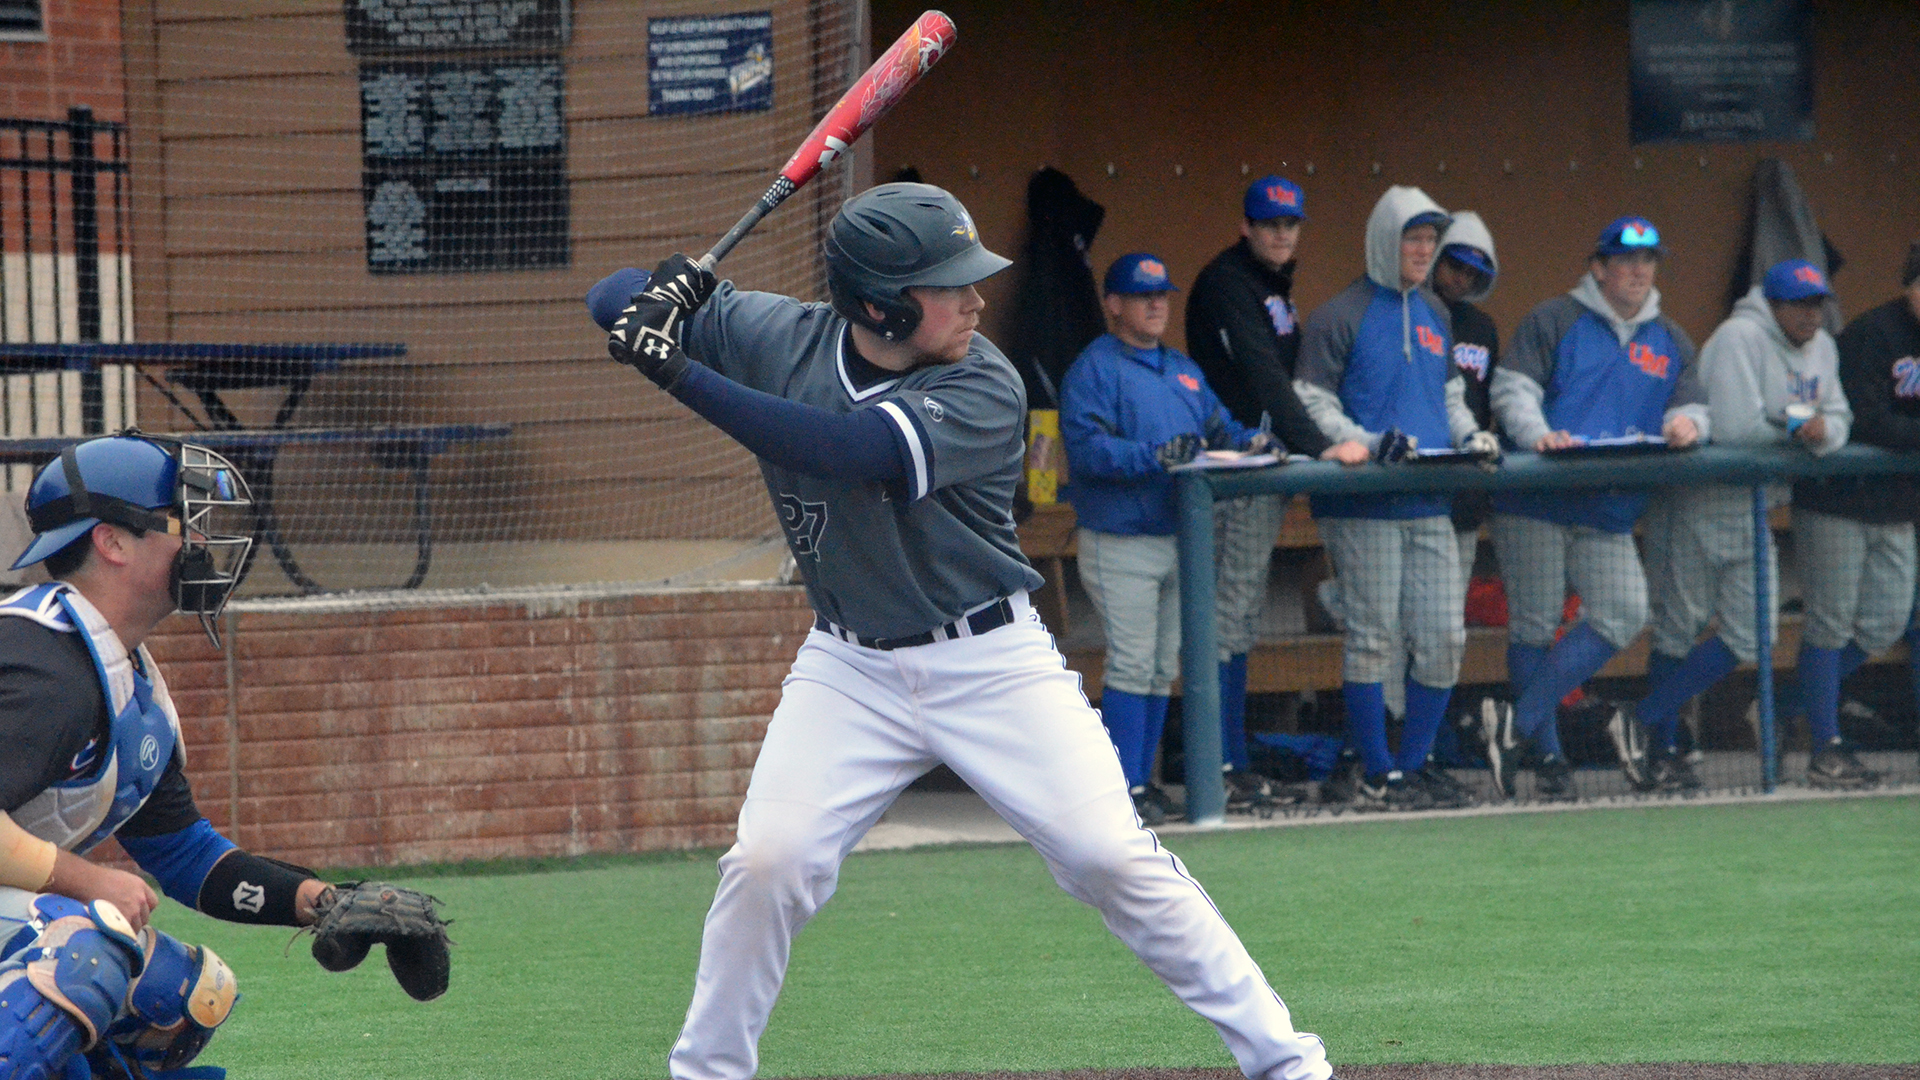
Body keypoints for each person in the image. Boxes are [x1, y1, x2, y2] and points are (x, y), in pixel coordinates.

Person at [588, 182, 1338, 1080]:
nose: (977, 300)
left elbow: (845, 452)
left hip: (989, 659)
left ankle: (1288, 1064)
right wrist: (662, 295)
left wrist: (675, 369)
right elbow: (609, 294)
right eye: (949, 285)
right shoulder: (782, 336)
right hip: (849, 665)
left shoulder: (985, 380)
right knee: (767, 864)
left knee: (1109, 857)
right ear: (882, 305)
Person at [0, 435, 360, 1080]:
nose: (199, 543)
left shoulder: (112, 668)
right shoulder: (44, 666)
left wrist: (322, 900)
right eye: (180, 524)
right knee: (83, 953)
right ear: (111, 542)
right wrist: (90, 882)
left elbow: (186, 856)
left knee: (181, 992)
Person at [1482, 216, 1706, 799]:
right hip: (1536, 499)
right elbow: (1511, 389)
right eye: (1625, 259)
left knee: (1624, 612)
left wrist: (1688, 425)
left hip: (1608, 508)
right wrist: (1537, 434)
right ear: (1599, 267)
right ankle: (1550, 761)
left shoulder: (1671, 338)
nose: (1638, 270)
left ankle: (1515, 725)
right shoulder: (1555, 318)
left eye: (1648, 260)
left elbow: (1693, 406)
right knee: (1534, 624)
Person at [1294, 185, 1500, 809]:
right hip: (1363, 507)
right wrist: (1364, 441)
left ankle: (1412, 769)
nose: (1423, 249)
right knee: (1373, 638)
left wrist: (1471, 436)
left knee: (1444, 638)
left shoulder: (1436, 311)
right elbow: (1311, 401)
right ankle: (1377, 774)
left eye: (1430, 239)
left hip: (1430, 501)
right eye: (1413, 237)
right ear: (1386, 240)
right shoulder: (1340, 314)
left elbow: (1450, 397)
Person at [1619, 257, 1850, 792]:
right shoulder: (1738, 337)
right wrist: (1800, 431)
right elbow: (1734, 428)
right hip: (1696, 498)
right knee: (1678, 627)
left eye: (1818, 304)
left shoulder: (1824, 347)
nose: (1811, 315)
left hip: (1752, 502)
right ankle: (1662, 750)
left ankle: (1641, 717)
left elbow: (1840, 417)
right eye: (1800, 305)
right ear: (1774, 304)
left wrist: (1825, 433)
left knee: (1754, 633)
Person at [1060, 253, 1269, 823]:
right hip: (1120, 538)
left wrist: (1253, 442)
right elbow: (1087, 450)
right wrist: (1152, 456)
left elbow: (1221, 428)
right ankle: (1123, 789)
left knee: (1159, 667)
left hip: (1182, 537)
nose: (1156, 304)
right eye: (1142, 295)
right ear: (1113, 304)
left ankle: (1141, 784)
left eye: (1162, 294)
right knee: (1132, 664)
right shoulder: (1095, 367)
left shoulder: (1181, 368)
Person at [1184, 176, 1368, 809]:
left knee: (1238, 616)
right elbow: (1264, 377)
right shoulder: (1227, 282)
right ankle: (1218, 766)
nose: (1282, 234)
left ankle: (1231, 761)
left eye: (1291, 224)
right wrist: (1319, 444)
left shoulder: (1271, 285)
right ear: (1247, 227)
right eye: (1270, 224)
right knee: (1224, 617)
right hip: (1235, 469)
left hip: (1264, 468)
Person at [1785, 245, 1920, 788]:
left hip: (1896, 505)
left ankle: (1787, 706)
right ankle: (1825, 747)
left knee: (1887, 620)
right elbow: (1865, 420)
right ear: (1910, 287)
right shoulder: (1871, 334)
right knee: (1831, 621)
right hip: (1837, 499)